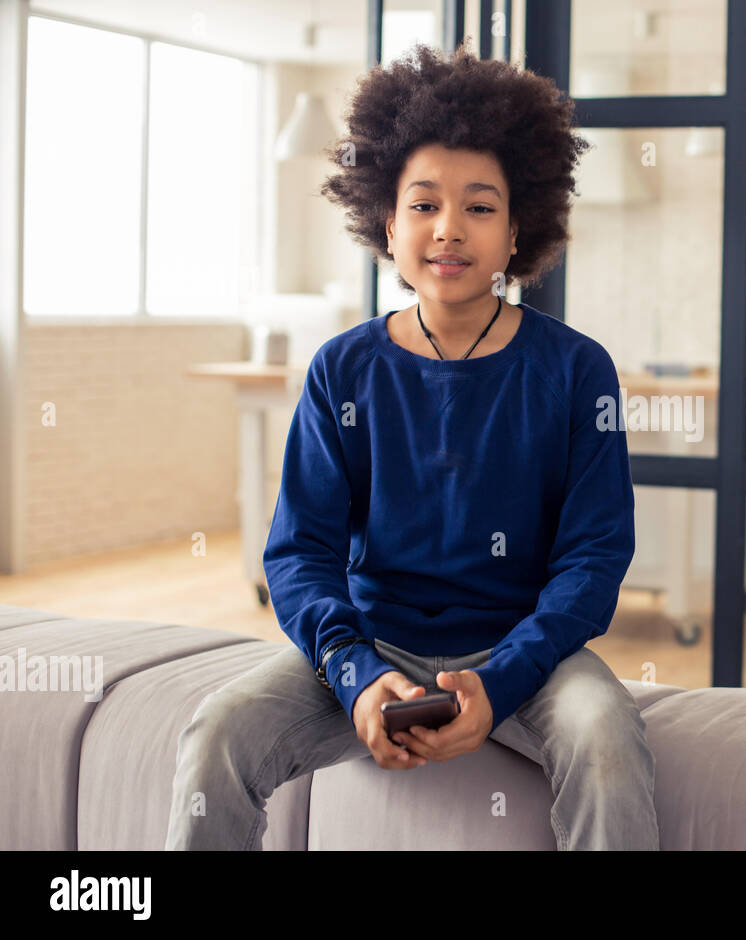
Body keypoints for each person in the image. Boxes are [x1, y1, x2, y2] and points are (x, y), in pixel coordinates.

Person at [164, 43, 656, 851]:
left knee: (605, 737)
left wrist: (499, 684)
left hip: (524, 648)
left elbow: (595, 559)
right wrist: (355, 677)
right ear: (388, 225)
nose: (449, 230)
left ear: (517, 229)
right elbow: (298, 554)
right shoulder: (342, 369)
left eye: (480, 206)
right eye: (424, 205)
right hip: (370, 640)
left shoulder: (576, 370)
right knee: (219, 732)